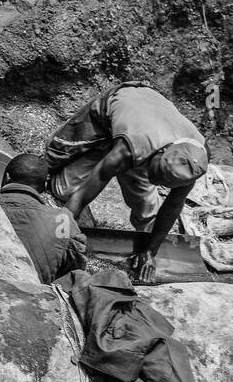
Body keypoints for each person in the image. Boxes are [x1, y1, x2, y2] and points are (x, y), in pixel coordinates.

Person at [46, 81, 207, 283]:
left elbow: (173, 204)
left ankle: (144, 249)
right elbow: (89, 188)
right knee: (64, 190)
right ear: (160, 152)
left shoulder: (196, 160)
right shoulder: (132, 147)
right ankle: (98, 150)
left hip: (145, 137)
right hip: (115, 112)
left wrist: (150, 251)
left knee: (147, 209)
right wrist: (61, 234)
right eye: (156, 173)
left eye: (164, 183)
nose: (156, 182)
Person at [0, 153, 87, 283]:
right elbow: (74, 273)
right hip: (34, 298)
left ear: (6, 177)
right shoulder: (63, 220)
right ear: (44, 186)